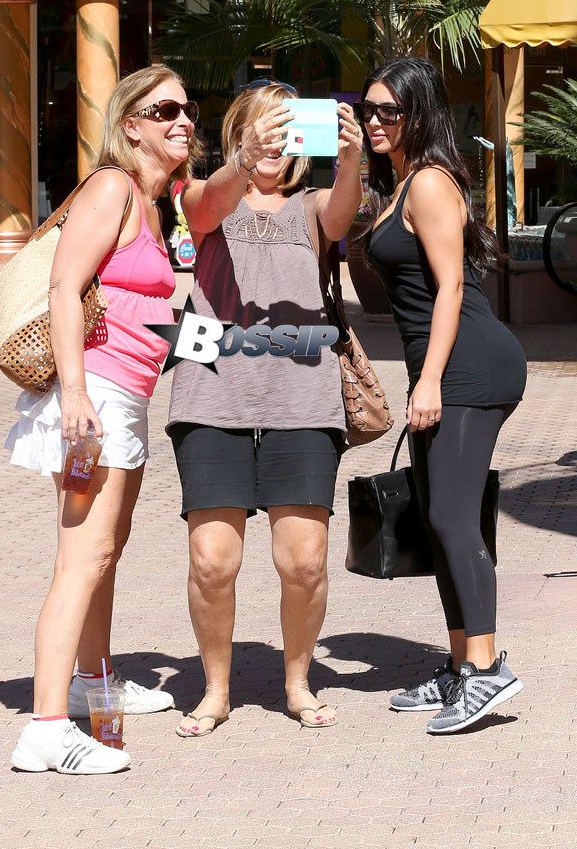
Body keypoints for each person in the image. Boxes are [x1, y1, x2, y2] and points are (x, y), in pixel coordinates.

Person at [8, 65, 199, 773]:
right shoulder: (113, 187)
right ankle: (46, 729)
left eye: (188, 109)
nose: (183, 121)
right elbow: (64, 288)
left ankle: (95, 689)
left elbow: (138, 305)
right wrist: (78, 397)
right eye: (166, 109)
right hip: (97, 405)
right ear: (130, 125)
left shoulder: (153, 202)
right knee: (80, 560)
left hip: (126, 400)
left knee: (104, 555)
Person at [165, 80, 364, 737]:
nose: (274, 141)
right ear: (238, 134)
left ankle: (297, 682)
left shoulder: (308, 207)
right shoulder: (205, 197)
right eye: (261, 128)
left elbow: (341, 216)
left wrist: (352, 157)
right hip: (212, 397)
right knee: (212, 561)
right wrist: (243, 159)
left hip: (302, 402)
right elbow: (205, 206)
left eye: (285, 129)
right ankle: (216, 689)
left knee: (303, 562)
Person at [359, 57, 527, 734]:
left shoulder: (429, 183)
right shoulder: (398, 184)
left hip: (468, 365)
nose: (374, 121)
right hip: (444, 365)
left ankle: (487, 672)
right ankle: (461, 667)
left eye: (388, 112)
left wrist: (428, 380)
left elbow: (452, 287)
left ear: (420, 115)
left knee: (455, 519)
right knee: (438, 518)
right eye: (367, 109)